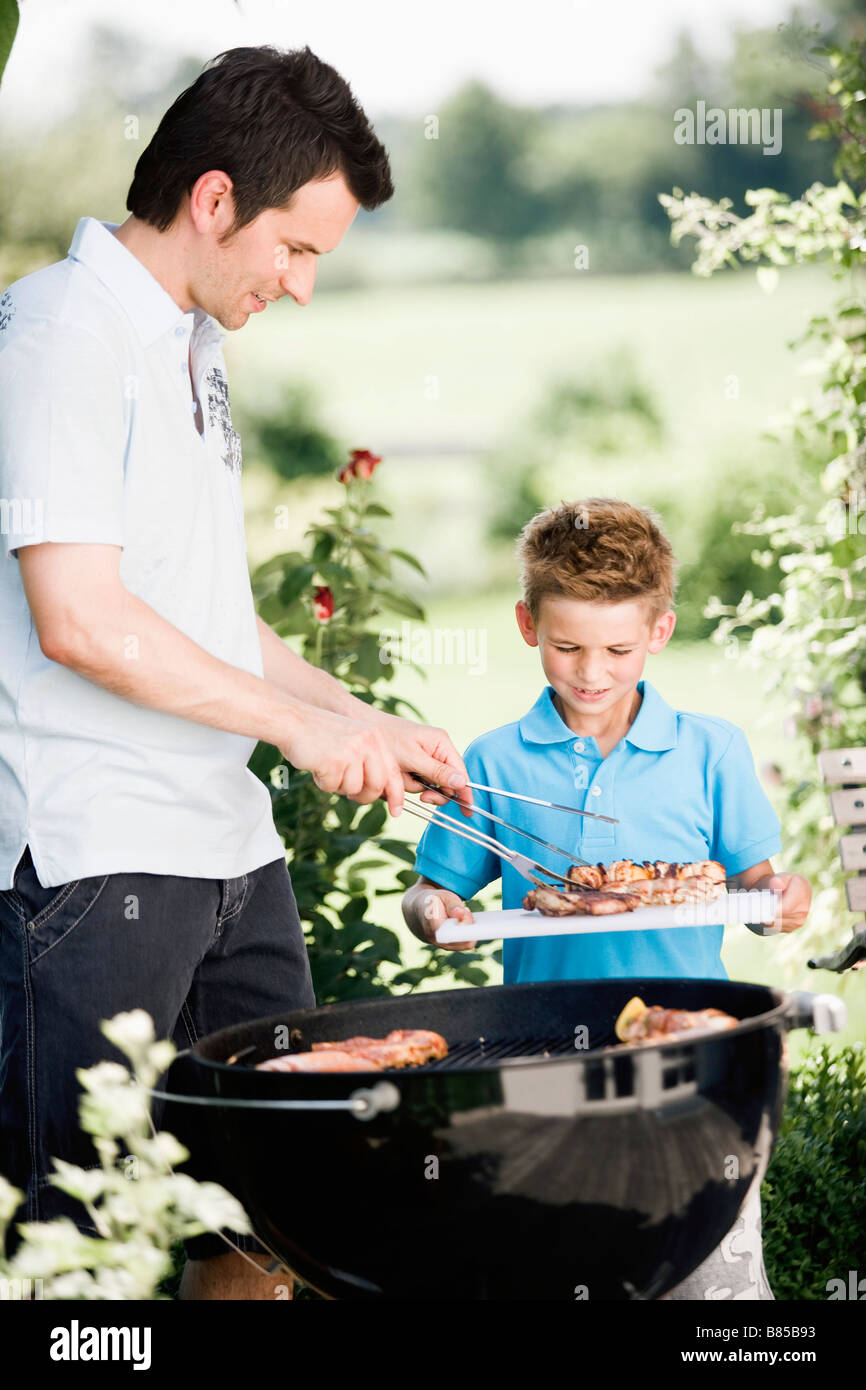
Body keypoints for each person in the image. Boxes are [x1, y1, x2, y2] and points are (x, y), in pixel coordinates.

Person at [0, 44, 473, 1302]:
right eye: (297, 248)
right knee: (79, 1254)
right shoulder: (61, 335)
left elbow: (207, 618)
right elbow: (79, 620)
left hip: (229, 857)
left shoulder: (194, 340)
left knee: (267, 1223)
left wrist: (358, 716)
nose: (303, 286)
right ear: (213, 201)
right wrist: (292, 730)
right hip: (97, 869)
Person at [402, 496, 811, 1300]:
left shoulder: (710, 751)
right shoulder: (493, 761)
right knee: (561, 1263)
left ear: (659, 633)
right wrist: (434, 915)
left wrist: (781, 899)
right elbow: (432, 893)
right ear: (528, 625)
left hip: (691, 1056)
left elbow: (757, 890)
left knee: (711, 1277)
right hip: (544, 1058)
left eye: (618, 649)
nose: (591, 673)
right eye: (567, 647)